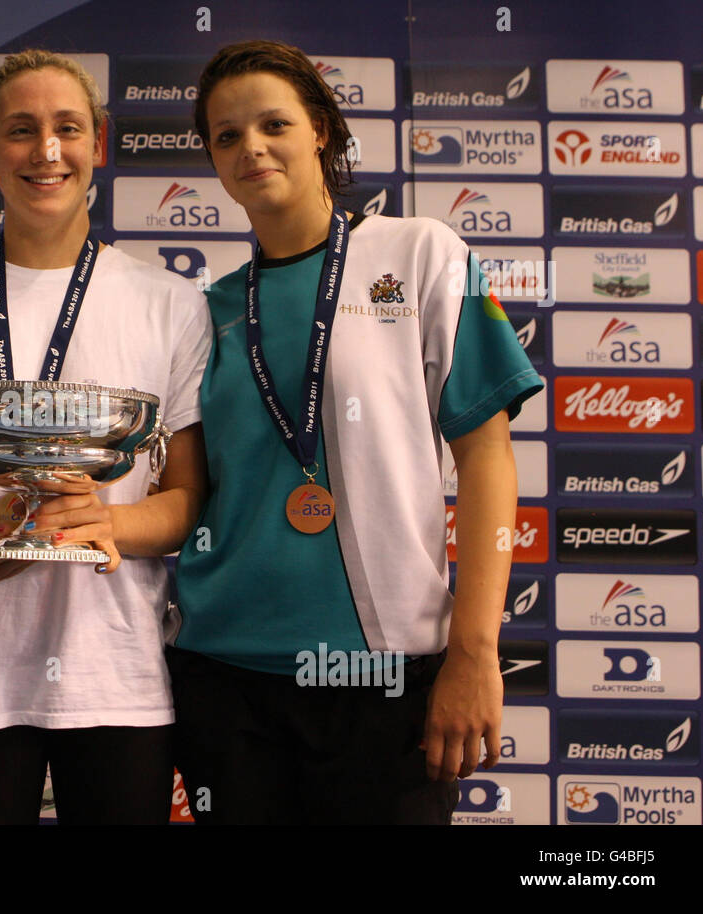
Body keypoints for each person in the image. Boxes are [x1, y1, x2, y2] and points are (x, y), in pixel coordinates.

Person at [169, 40, 543, 824]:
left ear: (322, 133)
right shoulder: (208, 309)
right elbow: (191, 491)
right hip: (225, 677)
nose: (251, 148)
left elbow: (487, 460)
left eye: (274, 123)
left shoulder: (418, 254)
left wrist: (475, 651)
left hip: (385, 676)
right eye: (226, 136)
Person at [0, 50, 211, 825]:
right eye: (21, 131)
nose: (46, 152)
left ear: (101, 140)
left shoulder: (170, 305)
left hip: (119, 678)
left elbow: (189, 498)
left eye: (67, 129)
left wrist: (111, 522)